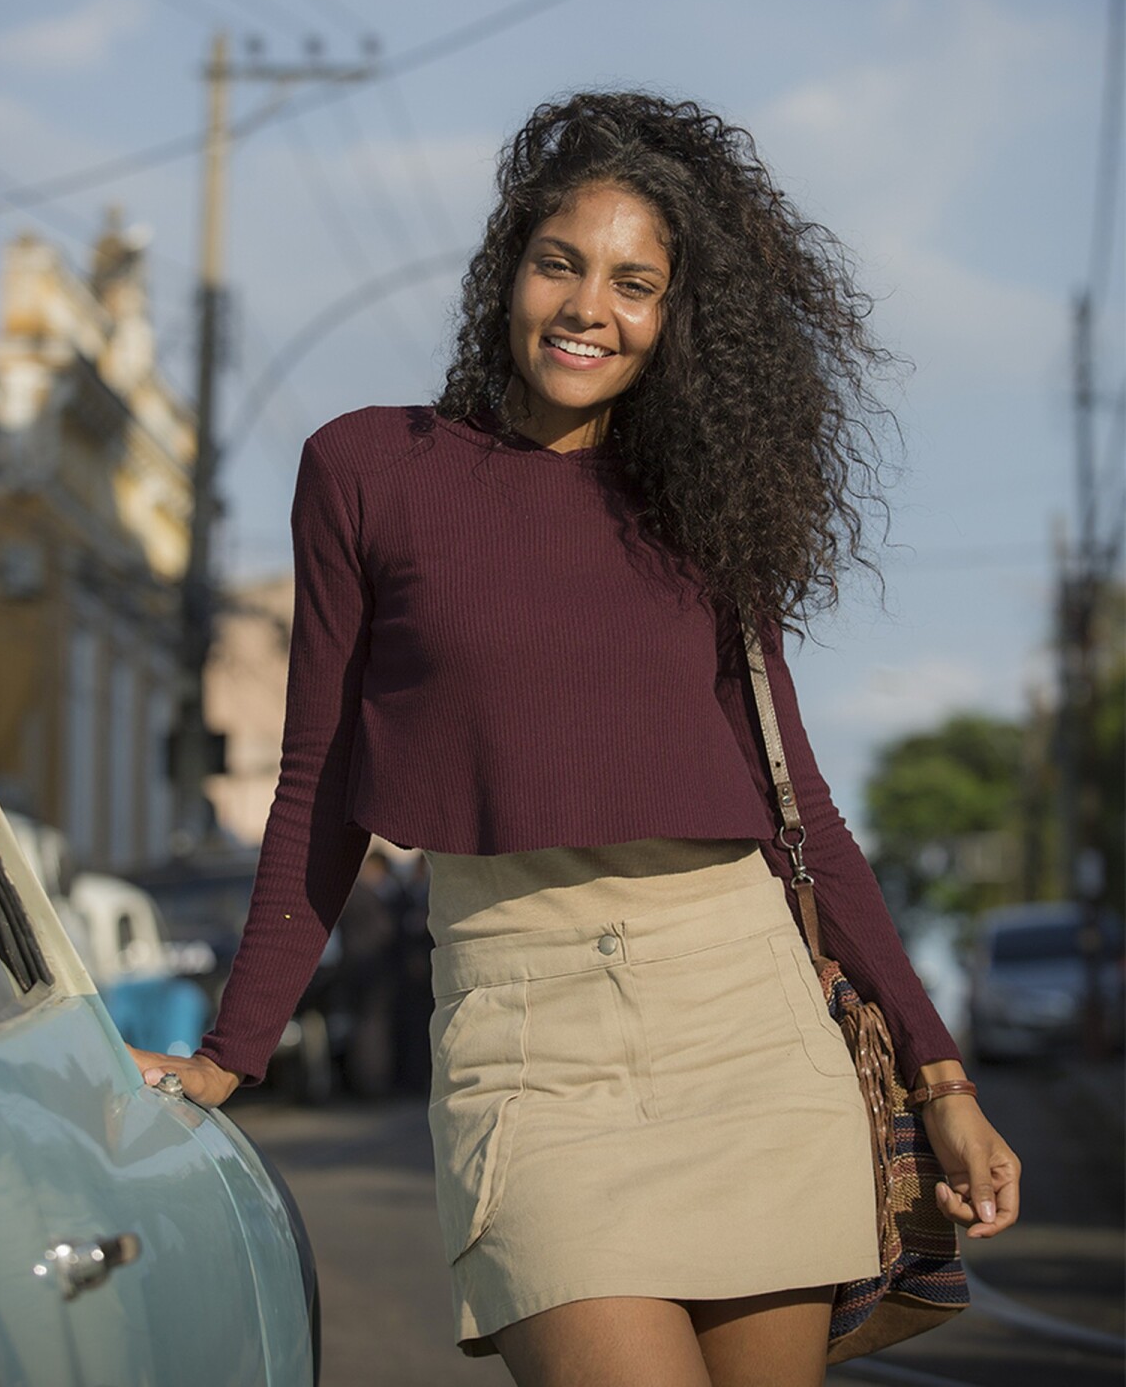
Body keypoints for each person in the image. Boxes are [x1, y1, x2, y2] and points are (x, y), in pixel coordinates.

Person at [129, 92, 1020, 1387]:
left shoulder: (701, 512)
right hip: (525, 1037)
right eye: (562, 262)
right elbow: (319, 782)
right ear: (510, 268)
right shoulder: (368, 470)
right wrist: (230, 1054)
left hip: (742, 1012)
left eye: (635, 282)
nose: (589, 305)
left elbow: (802, 810)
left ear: (673, 321)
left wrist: (939, 1073)